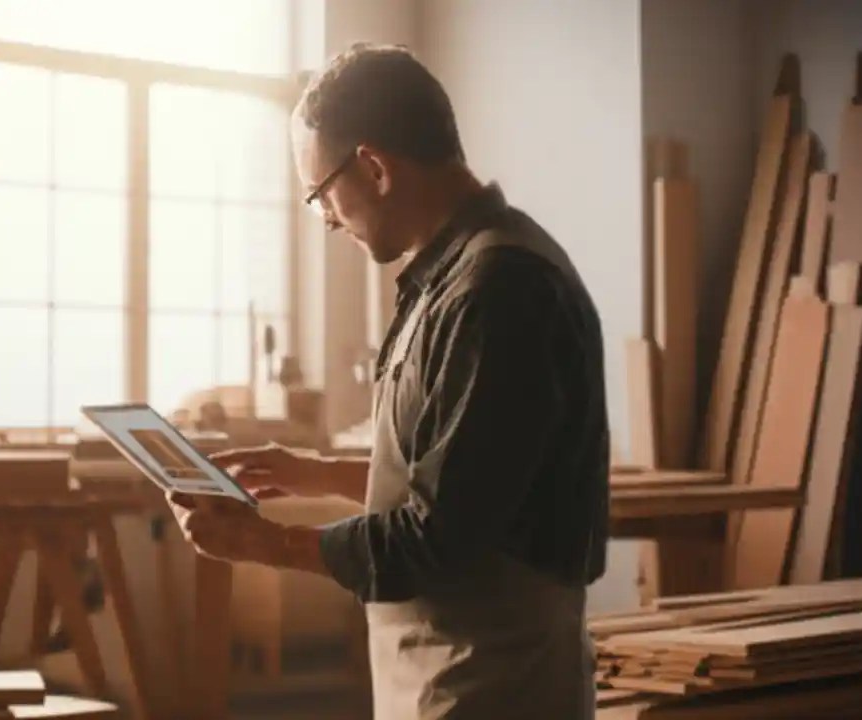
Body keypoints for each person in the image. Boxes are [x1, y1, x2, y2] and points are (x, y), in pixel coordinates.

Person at [165, 42, 609, 719]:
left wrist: (265, 543)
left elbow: (444, 534)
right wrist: (315, 474)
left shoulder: (499, 291)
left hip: (496, 683)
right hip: (446, 675)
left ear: (372, 167)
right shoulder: (451, 279)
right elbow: (459, 477)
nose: (328, 220)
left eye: (321, 196)